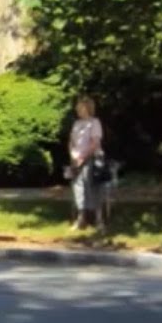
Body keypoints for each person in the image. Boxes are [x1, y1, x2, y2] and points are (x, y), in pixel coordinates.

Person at [68, 95, 106, 232]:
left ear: (87, 108)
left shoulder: (94, 123)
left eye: (81, 107)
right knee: (78, 188)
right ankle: (81, 218)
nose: (78, 110)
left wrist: (83, 157)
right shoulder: (77, 124)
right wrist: (73, 155)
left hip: (91, 159)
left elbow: (95, 143)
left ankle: (99, 220)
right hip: (77, 159)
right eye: (78, 108)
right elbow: (71, 142)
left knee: (93, 188)